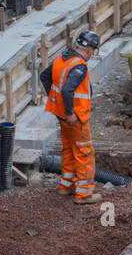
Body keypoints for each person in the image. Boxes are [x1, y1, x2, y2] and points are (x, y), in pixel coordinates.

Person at [40, 30, 100, 204]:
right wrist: (70, 112)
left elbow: (45, 76)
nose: (91, 54)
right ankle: (84, 194)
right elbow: (67, 89)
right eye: (92, 51)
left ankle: (66, 186)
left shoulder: (61, 59)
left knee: (68, 148)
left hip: (60, 115)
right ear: (88, 49)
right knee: (84, 152)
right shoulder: (79, 66)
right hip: (76, 118)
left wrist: (58, 103)